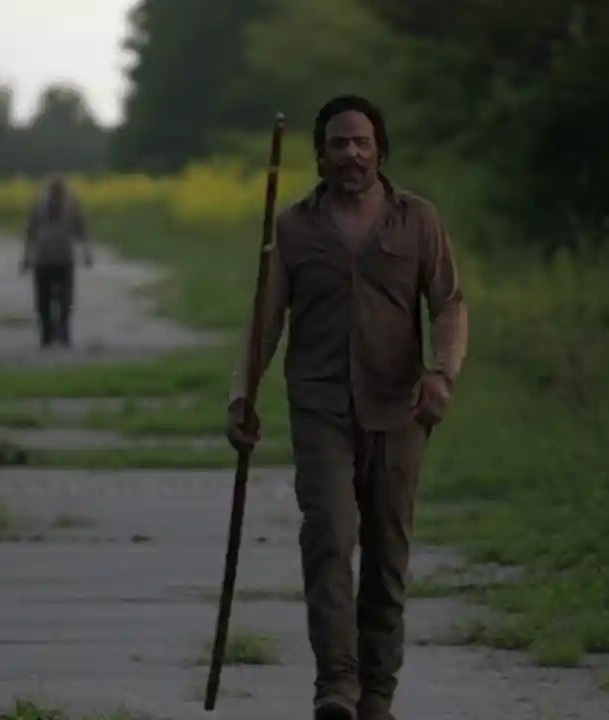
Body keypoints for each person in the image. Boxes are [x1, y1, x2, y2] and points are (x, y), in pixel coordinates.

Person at [226, 95, 468, 720]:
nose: (351, 154)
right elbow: (266, 319)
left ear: (380, 150)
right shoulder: (295, 227)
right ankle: (336, 686)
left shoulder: (418, 221)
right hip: (320, 408)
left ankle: (377, 697)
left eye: (362, 143)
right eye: (339, 144)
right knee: (330, 539)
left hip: (398, 410)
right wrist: (242, 393)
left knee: (388, 557)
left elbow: (448, 304)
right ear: (321, 154)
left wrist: (442, 374)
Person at [21, 177, 92, 348]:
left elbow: (81, 231)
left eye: (59, 193)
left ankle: (63, 333)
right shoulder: (39, 208)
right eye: (54, 192)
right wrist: (27, 258)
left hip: (64, 260)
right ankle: (46, 336)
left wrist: (87, 253)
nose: (56, 196)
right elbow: (30, 234)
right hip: (43, 260)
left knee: (65, 301)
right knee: (43, 302)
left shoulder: (71, 208)